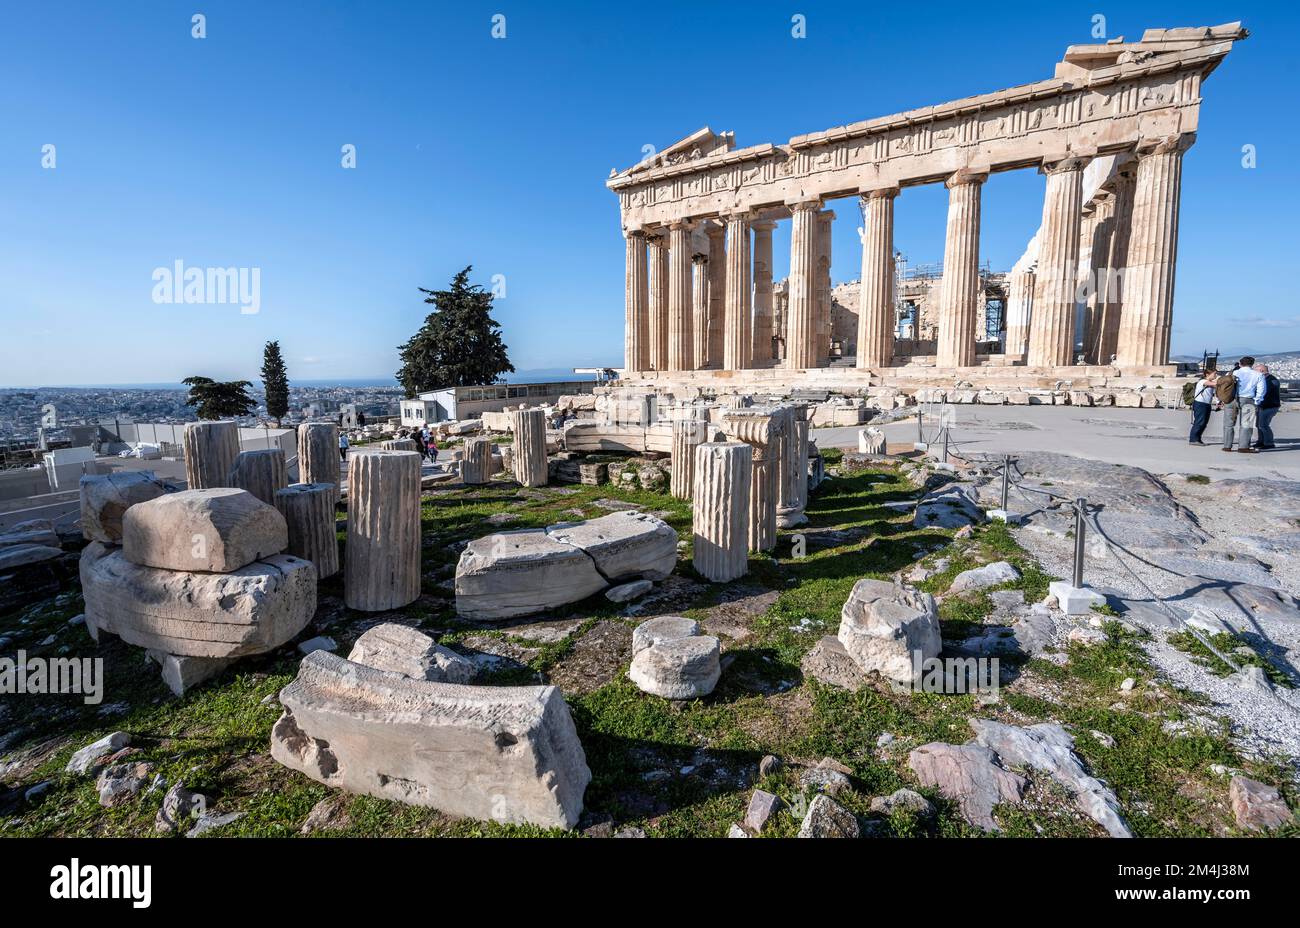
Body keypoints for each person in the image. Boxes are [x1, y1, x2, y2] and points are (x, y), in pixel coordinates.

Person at [1223, 356, 1265, 453]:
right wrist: (1257, 401)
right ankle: (1243, 446)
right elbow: (1261, 390)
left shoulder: (1233, 373)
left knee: (1228, 424)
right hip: (1248, 399)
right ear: (1252, 364)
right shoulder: (1258, 375)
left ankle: (1227, 446)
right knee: (1246, 424)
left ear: (1240, 363)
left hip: (1231, 399)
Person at [1255, 363, 1280, 450]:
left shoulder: (1270, 381)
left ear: (1261, 371)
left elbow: (1265, 393)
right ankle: (1261, 441)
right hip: (1265, 405)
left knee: (1263, 425)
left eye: (1256, 371)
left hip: (1269, 406)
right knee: (1259, 425)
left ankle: (1269, 443)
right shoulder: (1268, 379)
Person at [1189, 369, 1217, 445]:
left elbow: (1213, 393)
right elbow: (1216, 384)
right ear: (1207, 374)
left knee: (1204, 422)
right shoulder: (1202, 381)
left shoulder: (1210, 383)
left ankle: (1198, 438)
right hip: (1200, 404)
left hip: (1207, 404)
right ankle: (1193, 439)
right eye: (1214, 374)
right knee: (1199, 422)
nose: (1215, 376)